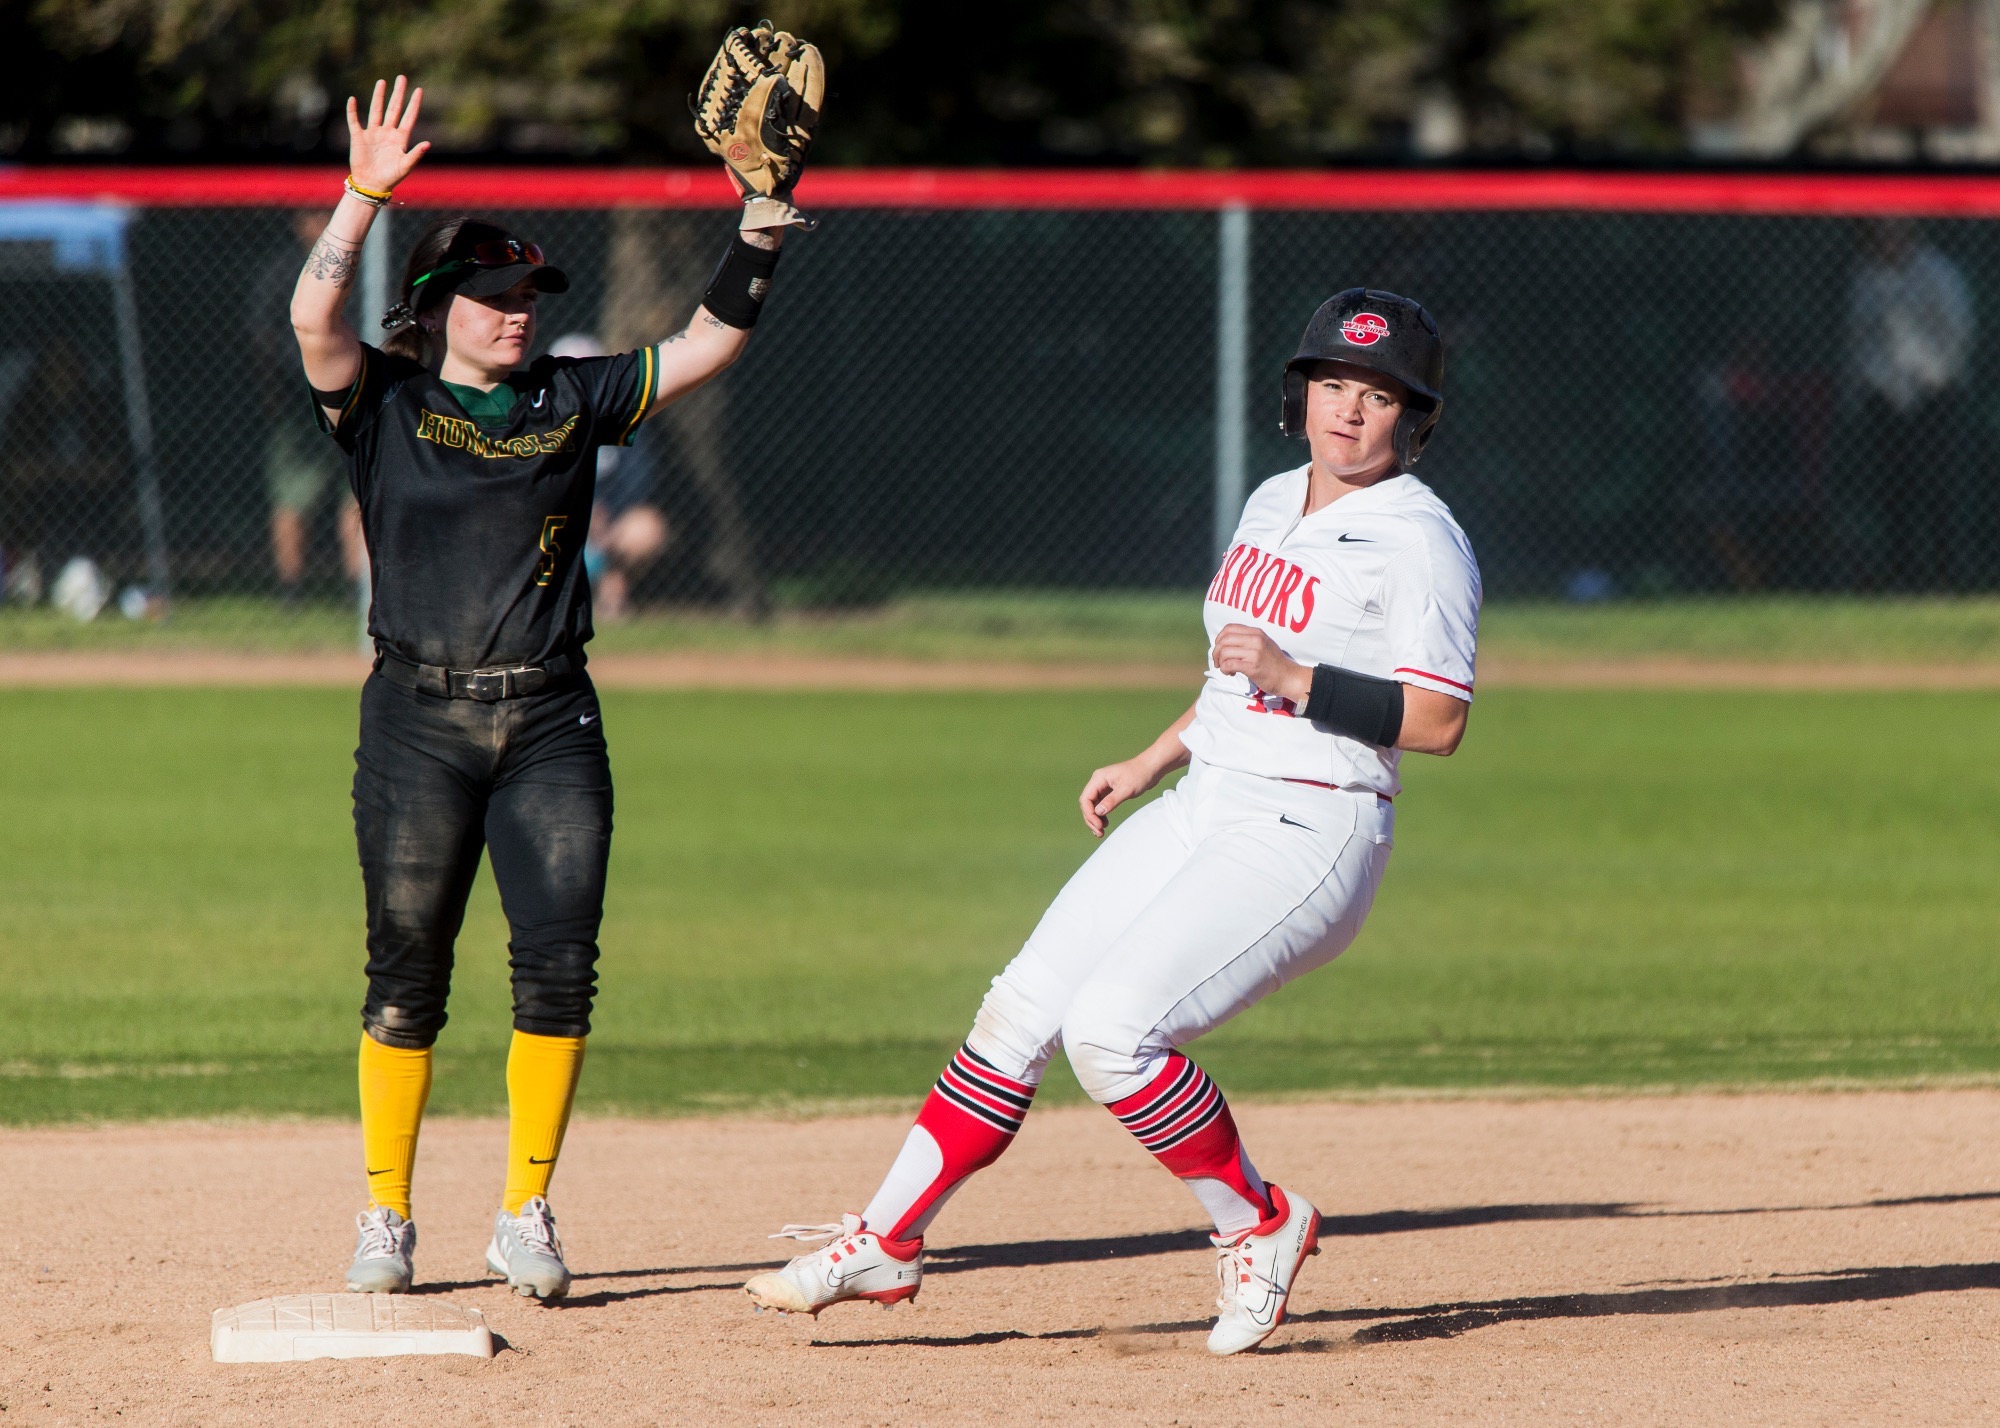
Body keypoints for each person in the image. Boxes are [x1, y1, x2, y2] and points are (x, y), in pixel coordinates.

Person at [744, 290, 1481, 1355]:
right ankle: (887, 1240)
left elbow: (1441, 720)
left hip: (1308, 830)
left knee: (1110, 1034)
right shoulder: (1273, 500)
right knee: (1019, 1012)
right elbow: (1232, 680)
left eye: (1377, 395)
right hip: (1203, 800)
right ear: (1298, 394)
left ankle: (1260, 1224)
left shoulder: (1421, 540)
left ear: (1414, 417)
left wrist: (1300, 677)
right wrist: (1151, 756)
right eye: (1331, 385)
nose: (1348, 412)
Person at [289, 74, 802, 1300]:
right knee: (405, 966)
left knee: (557, 966)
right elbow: (313, 321)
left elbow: (707, 346)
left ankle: (526, 1207)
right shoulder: (385, 401)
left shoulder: (568, 399)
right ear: (438, 310)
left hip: (549, 720)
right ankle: (386, 1216)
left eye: (527, 297)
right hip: (416, 718)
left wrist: (761, 226)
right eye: (496, 297)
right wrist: (362, 197)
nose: (519, 314)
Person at [1845, 218, 1975, 589]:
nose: (1886, 243)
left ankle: (1947, 575)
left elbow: (1958, 331)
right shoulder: (1867, 278)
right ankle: (1903, 575)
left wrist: (1936, 378)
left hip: (1935, 391)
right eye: (1879, 236)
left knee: (1939, 487)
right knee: (1894, 487)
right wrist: (1861, 388)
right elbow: (1857, 339)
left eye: (1893, 233)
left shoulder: (1937, 273)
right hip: (1885, 393)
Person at [254, 212, 365, 603]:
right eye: (312, 215)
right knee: (292, 496)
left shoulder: (364, 268)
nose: (319, 223)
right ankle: (291, 589)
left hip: (358, 402)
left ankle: (359, 590)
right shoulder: (282, 272)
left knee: (356, 497)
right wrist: (272, 394)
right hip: (297, 407)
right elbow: (263, 338)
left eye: (327, 214)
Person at [548, 332, 672, 621]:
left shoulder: (620, 419)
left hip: (608, 524)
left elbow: (638, 481)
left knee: (647, 527)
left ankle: (611, 597)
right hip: (556, 521)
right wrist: (584, 513)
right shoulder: (535, 422)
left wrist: (606, 517)